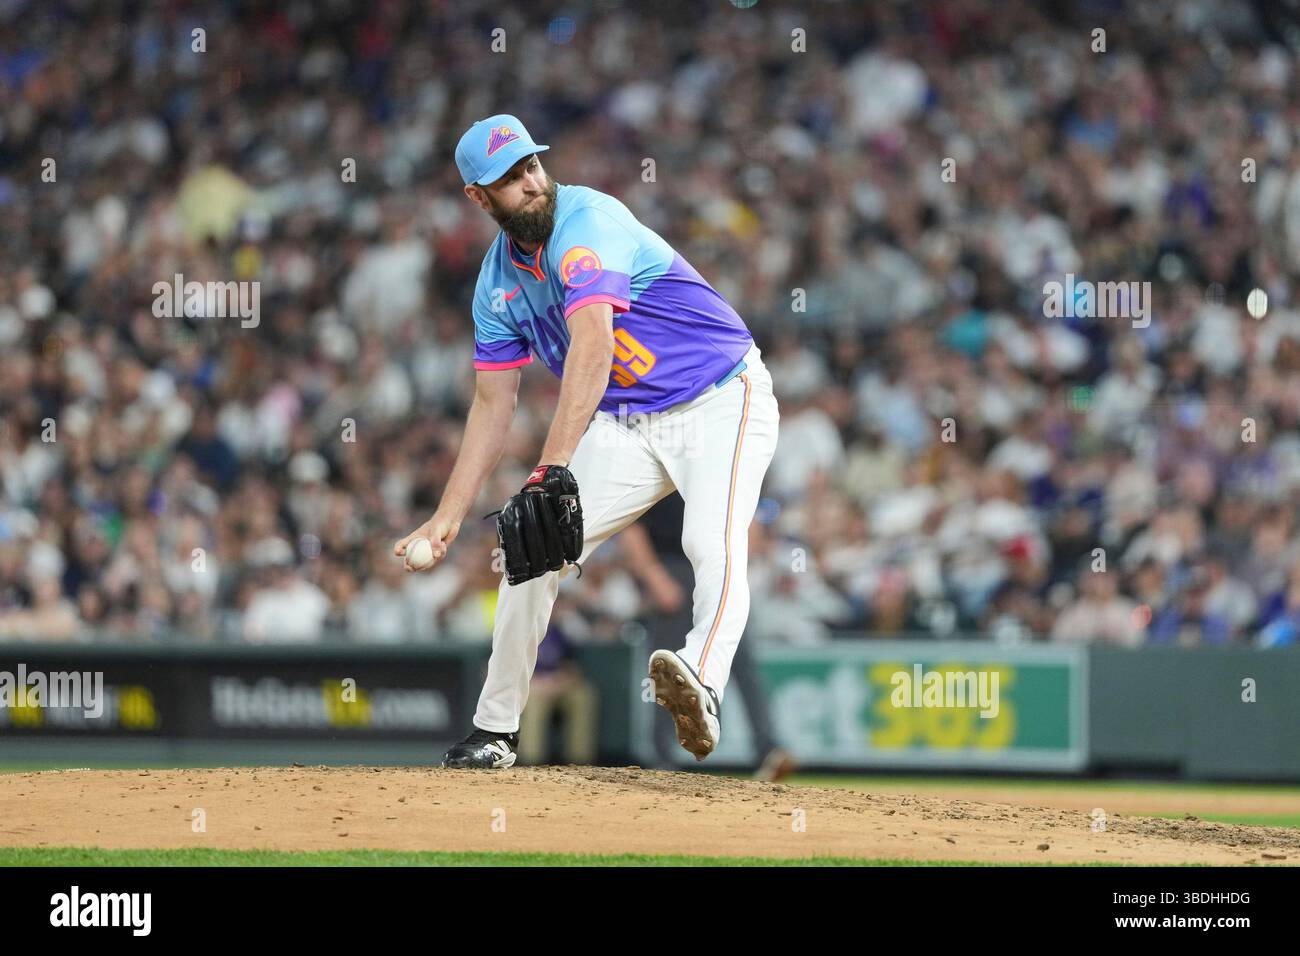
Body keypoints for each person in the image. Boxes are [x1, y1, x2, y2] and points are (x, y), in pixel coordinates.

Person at [394, 115, 779, 768]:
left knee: (708, 540)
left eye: (531, 165)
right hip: (630, 421)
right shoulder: (495, 286)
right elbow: (493, 403)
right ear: (478, 198)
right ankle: (494, 732)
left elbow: (594, 345)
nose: (531, 183)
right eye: (509, 179)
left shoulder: (587, 221)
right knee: (530, 547)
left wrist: (551, 467)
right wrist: (448, 514)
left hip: (718, 397)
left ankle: (702, 679)